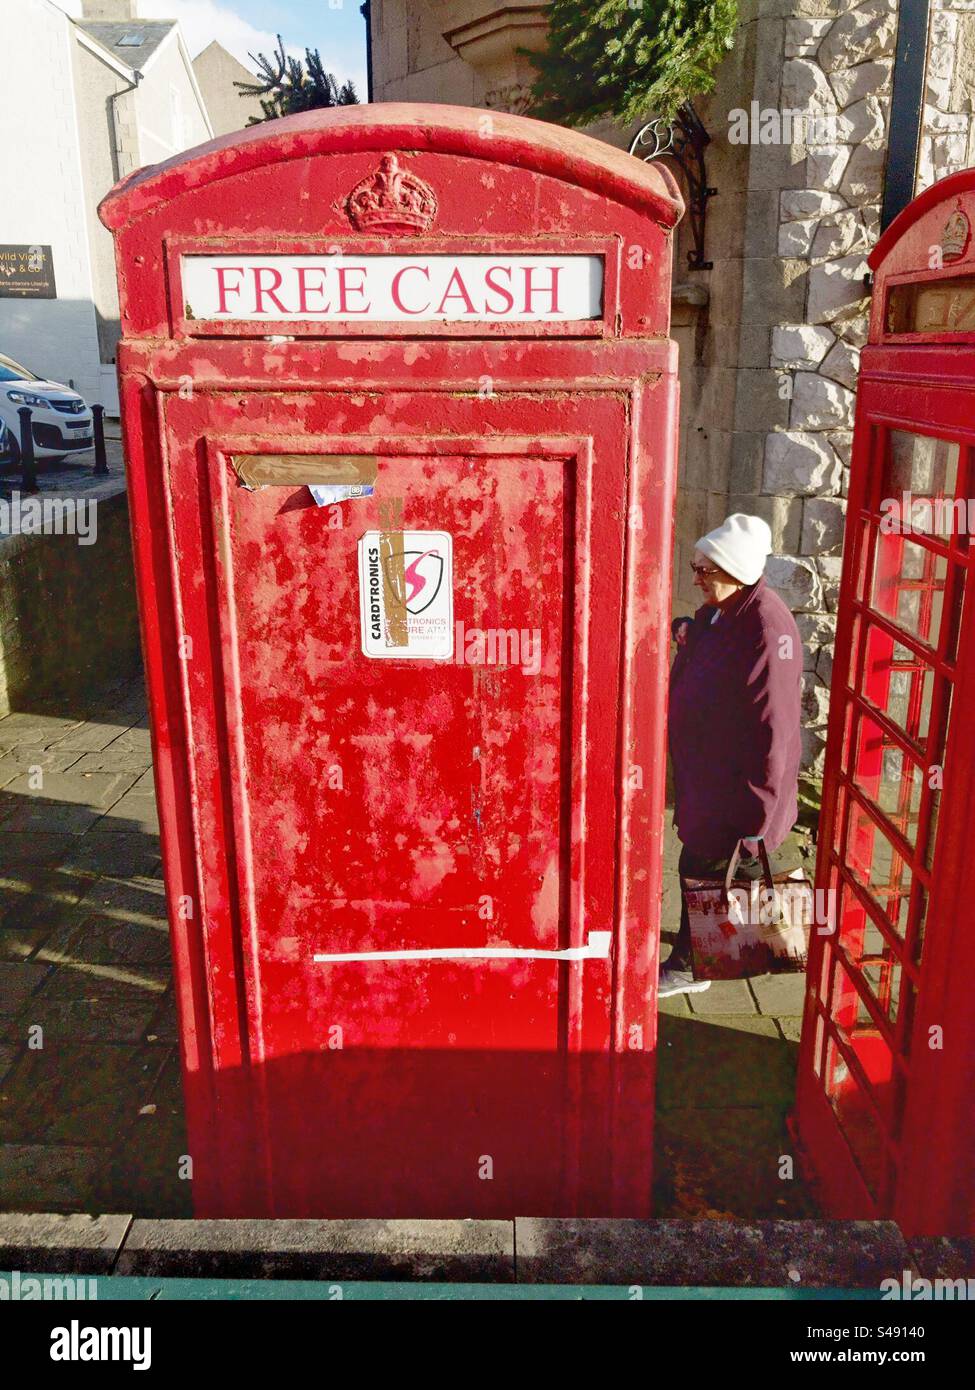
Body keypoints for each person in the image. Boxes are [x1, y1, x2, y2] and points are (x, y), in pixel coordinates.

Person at [661, 513, 803, 997]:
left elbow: (773, 729)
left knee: (703, 870)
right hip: (711, 780)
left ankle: (695, 965)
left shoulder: (766, 628)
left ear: (736, 570)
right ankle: (715, 952)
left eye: (706, 571)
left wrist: (757, 814)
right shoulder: (730, 610)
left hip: (735, 792)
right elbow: (710, 642)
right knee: (703, 868)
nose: (696, 578)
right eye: (696, 567)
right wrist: (686, 629)